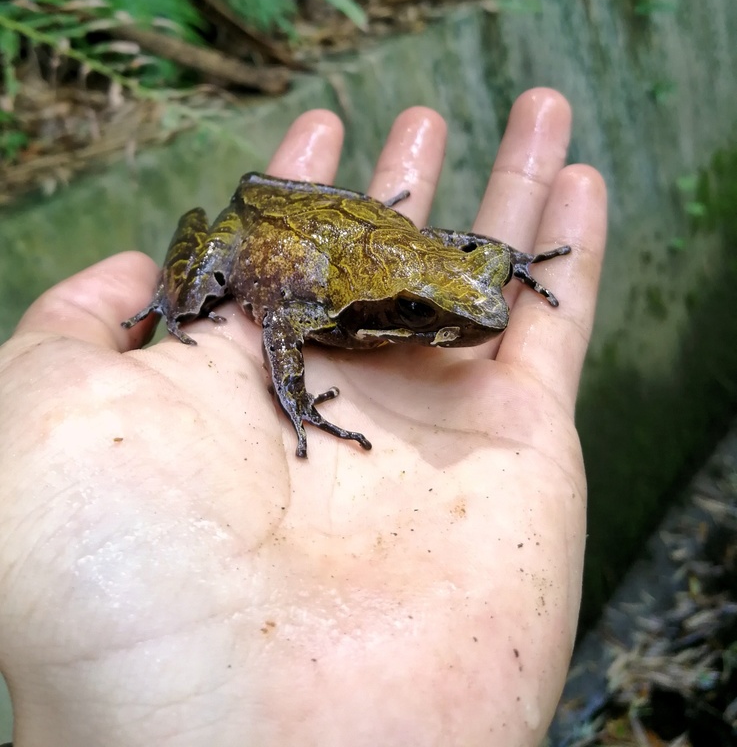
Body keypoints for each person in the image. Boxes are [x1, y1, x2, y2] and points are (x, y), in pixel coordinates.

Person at [0, 88, 606, 747]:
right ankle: (188, 297)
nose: (483, 319)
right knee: (194, 292)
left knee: (430, 261)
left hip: (349, 232)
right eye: (417, 311)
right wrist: (292, 397)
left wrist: (504, 263)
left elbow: (448, 247)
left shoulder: (421, 267)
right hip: (254, 229)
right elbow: (284, 318)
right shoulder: (333, 308)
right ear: (388, 308)